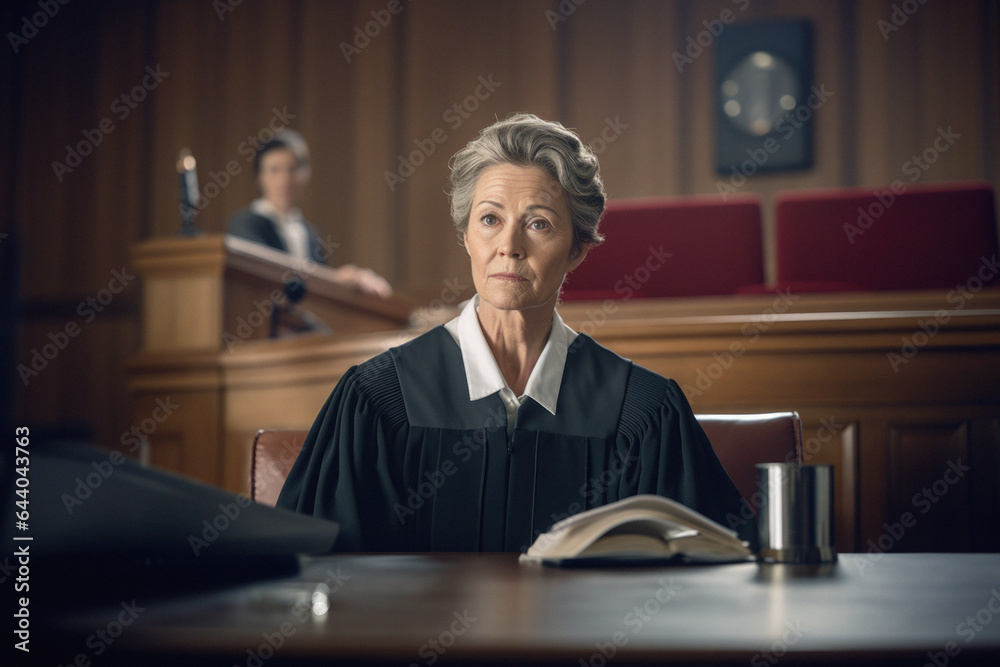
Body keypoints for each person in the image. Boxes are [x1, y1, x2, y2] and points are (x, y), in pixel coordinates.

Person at [277, 113, 755, 552]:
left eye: (539, 224)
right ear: (465, 234)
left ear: (577, 250)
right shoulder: (377, 400)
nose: (509, 246)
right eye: (490, 219)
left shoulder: (642, 412)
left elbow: (716, 574)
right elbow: (314, 583)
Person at [227, 129, 391, 297]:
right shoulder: (245, 224)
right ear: (260, 177)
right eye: (274, 170)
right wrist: (333, 278)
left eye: (292, 169)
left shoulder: (311, 235)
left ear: (306, 173)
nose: (284, 180)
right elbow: (262, 274)